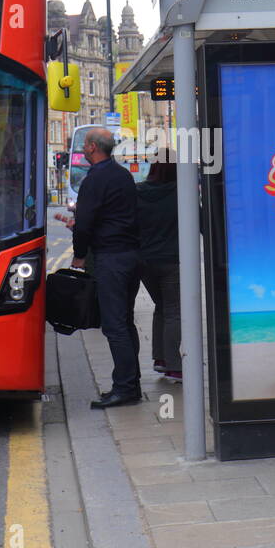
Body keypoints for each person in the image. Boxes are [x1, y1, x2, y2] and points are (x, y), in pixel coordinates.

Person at [66, 127, 142, 409]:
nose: (84, 148)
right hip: (132, 257)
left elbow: (85, 222)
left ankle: (124, 388)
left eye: (86, 144)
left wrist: (79, 255)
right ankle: (130, 383)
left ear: (92, 148)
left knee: (114, 325)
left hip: (110, 258)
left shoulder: (94, 180)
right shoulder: (123, 176)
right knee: (125, 321)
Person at [137, 161, 182, 381]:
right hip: (171, 260)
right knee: (174, 310)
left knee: (161, 307)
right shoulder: (180, 193)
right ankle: (175, 365)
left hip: (145, 262)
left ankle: (161, 358)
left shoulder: (138, 192)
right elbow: (201, 222)